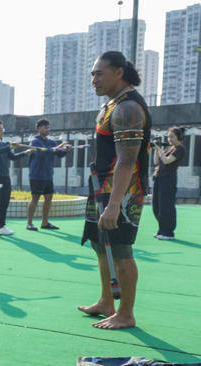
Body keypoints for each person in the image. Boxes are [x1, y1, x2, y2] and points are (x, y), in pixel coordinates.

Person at [78, 51, 151, 330]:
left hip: (122, 191)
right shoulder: (111, 105)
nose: (94, 80)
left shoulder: (128, 108)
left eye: (99, 73)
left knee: (121, 251)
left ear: (119, 72)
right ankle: (106, 301)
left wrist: (114, 204)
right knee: (100, 245)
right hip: (102, 188)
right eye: (92, 74)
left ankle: (126, 313)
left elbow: (127, 161)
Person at [0, 120, 33, 235]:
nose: (3, 131)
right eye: (1, 129)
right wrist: (9, 146)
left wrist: (26, 152)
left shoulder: (3, 144)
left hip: (5, 177)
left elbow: (13, 157)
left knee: (5, 202)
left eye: (3, 129)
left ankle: (2, 226)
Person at [26, 119, 71, 231]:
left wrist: (65, 150)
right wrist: (57, 147)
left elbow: (59, 153)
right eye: (45, 127)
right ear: (38, 128)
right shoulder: (35, 142)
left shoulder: (51, 142)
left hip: (48, 175)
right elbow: (42, 153)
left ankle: (44, 223)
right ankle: (29, 223)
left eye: (48, 127)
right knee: (35, 198)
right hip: (36, 175)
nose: (47, 129)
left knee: (49, 198)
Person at [151, 126, 185, 240]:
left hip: (168, 180)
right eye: (168, 137)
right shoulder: (168, 148)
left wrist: (159, 148)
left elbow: (166, 161)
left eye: (172, 137)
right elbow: (156, 162)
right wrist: (157, 149)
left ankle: (168, 233)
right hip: (159, 178)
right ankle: (162, 230)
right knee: (156, 206)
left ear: (178, 137)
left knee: (166, 206)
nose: (169, 139)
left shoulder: (180, 149)